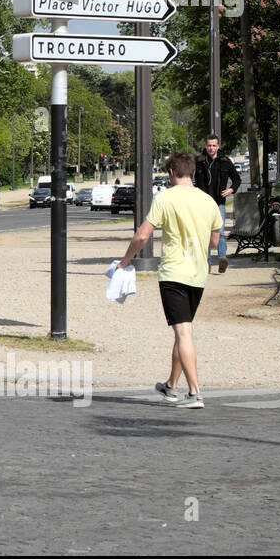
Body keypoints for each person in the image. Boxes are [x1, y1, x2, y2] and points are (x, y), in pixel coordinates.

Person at [116, 149, 222, 409]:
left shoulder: (165, 199)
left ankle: (195, 393)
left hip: (174, 273)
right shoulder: (208, 201)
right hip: (198, 275)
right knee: (182, 330)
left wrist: (126, 259)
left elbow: (142, 235)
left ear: (172, 173)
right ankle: (171, 386)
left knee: (184, 332)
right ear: (193, 172)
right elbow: (215, 238)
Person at [194, 134, 241, 273]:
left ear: (218, 146)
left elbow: (237, 179)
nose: (211, 148)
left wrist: (231, 190)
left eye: (214, 145)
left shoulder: (225, 161)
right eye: (209, 145)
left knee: (219, 232)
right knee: (205, 233)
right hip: (202, 203)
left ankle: (222, 258)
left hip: (219, 203)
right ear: (206, 146)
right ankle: (206, 262)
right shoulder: (199, 161)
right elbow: (189, 178)